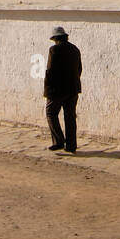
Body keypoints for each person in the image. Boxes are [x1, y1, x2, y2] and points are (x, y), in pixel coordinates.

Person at [44, 26, 82, 154]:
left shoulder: (54, 50)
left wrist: (47, 89)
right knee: (70, 117)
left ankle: (58, 141)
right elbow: (79, 69)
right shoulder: (75, 49)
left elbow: (50, 70)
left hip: (57, 90)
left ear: (55, 38)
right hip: (73, 89)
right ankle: (71, 145)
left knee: (51, 113)